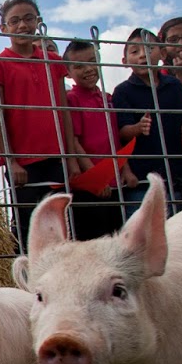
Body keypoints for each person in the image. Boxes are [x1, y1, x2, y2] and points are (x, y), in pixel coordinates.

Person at [0, 0, 82, 251]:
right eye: (14, 21)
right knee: (27, 227)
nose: (22, 26)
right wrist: (11, 159)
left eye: (28, 18)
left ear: (38, 21)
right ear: (4, 28)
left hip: (57, 157)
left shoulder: (53, 61)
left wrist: (70, 157)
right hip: (23, 162)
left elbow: (63, 110)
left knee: (61, 225)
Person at [111, 28, 182, 220]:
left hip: (175, 173)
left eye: (149, 49)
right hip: (142, 177)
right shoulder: (123, 91)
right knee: (144, 234)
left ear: (162, 53)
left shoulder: (173, 85)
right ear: (125, 62)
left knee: (177, 230)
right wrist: (138, 128)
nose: (143, 55)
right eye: (135, 52)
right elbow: (121, 132)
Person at [59, 38, 129, 239]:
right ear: (68, 71)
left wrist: (126, 170)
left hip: (114, 183)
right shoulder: (72, 99)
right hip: (90, 184)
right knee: (94, 240)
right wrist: (94, 176)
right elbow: (74, 140)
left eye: (92, 61)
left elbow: (116, 139)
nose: (88, 69)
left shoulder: (107, 98)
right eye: (79, 66)